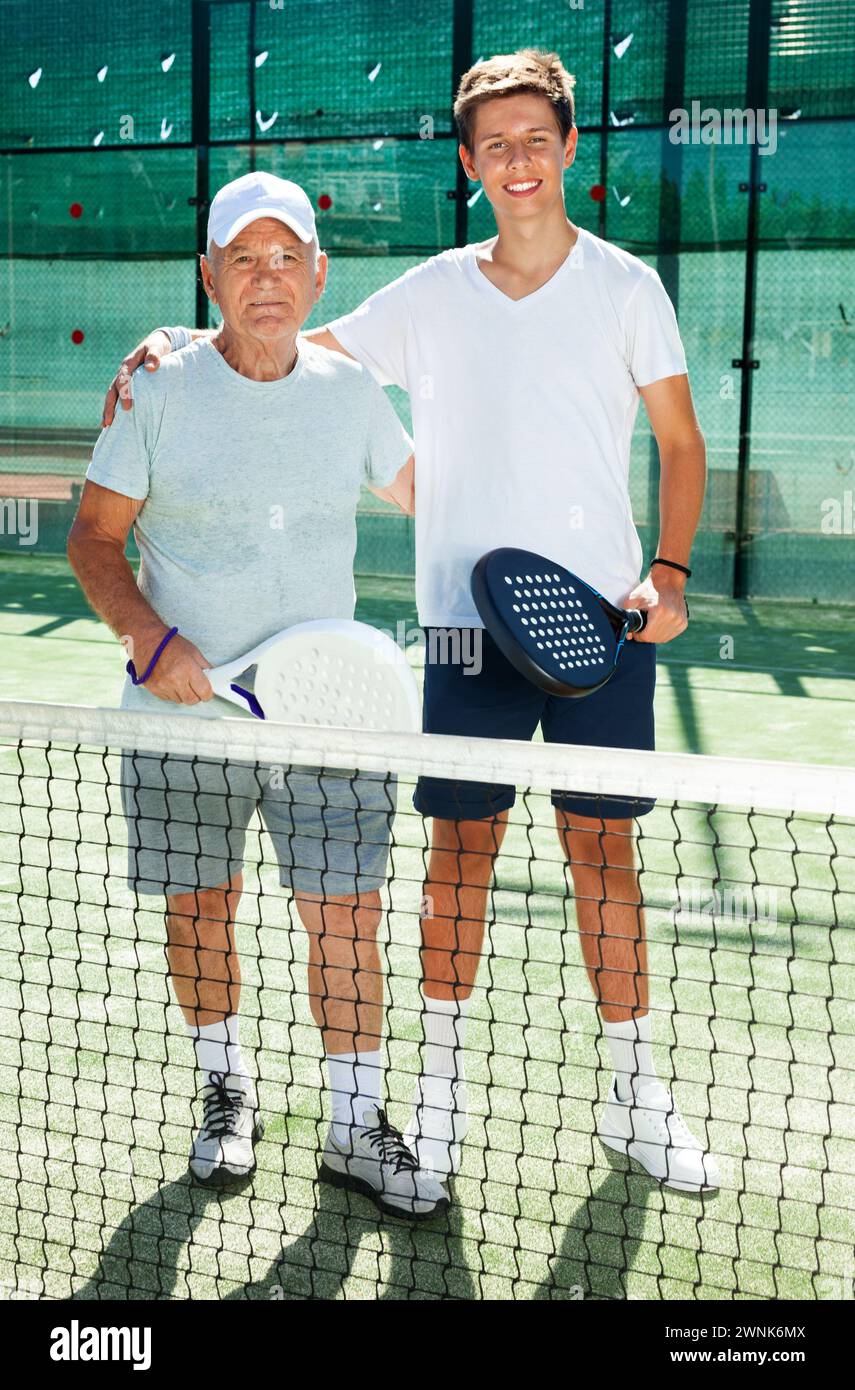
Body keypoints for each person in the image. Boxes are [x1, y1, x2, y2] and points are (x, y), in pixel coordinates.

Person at [101, 51, 718, 1194]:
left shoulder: (629, 287)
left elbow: (681, 446)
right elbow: (289, 349)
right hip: (463, 630)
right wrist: (177, 350)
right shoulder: (430, 292)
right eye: (496, 145)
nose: (518, 161)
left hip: (603, 628)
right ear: (471, 162)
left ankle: (637, 1096)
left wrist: (670, 572)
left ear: (570, 147)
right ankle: (431, 1104)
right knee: (457, 862)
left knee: (606, 858)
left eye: (537, 139)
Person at [70, 170, 448, 1220]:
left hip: (329, 716)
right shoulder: (158, 387)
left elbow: (437, 499)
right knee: (202, 908)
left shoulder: (352, 394)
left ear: (319, 275)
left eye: (288, 258)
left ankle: (356, 1123)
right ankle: (226, 1089)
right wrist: (148, 637)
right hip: (180, 723)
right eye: (245, 258)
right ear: (210, 276)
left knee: (346, 918)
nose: (268, 279)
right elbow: (95, 539)